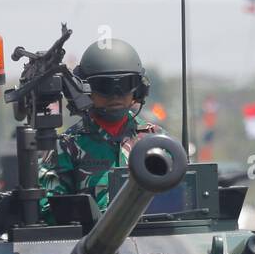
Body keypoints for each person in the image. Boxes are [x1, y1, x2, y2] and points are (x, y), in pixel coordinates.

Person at [38, 38, 168, 216]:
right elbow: (46, 208)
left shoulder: (158, 140)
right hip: (94, 241)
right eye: (104, 86)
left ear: (138, 89)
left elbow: (184, 196)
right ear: (85, 89)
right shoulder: (67, 147)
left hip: (153, 239)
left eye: (124, 85)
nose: (115, 95)